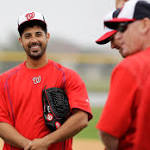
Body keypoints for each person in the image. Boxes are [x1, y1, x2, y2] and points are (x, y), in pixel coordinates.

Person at [0, 11, 92, 150]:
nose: (34, 40)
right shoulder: (4, 81)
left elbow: (81, 118)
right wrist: (29, 146)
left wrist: (47, 141)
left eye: (38, 34)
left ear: (47, 36)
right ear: (21, 41)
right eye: (27, 36)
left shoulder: (68, 76)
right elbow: (1, 122)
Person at [96, 0, 150, 149]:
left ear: (145, 25)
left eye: (123, 28)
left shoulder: (131, 67)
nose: (119, 37)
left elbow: (108, 132)